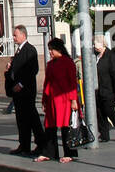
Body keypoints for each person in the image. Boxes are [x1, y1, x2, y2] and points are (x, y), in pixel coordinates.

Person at [36, 38, 79, 163]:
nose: (50, 52)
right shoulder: (50, 64)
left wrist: (73, 100)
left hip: (65, 99)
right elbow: (47, 83)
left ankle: (69, 153)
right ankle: (49, 152)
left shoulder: (68, 62)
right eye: (49, 49)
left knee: (66, 126)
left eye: (51, 49)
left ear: (58, 49)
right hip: (52, 100)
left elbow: (72, 83)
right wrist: (44, 100)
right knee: (50, 126)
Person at [6, 25, 44, 155]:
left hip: (26, 91)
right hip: (18, 92)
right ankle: (24, 144)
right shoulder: (19, 51)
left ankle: (41, 143)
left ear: (23, 35)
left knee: (32, 117)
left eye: (15, 35)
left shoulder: (30, 50)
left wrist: (21, 84)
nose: (14, 37)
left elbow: (32, 70)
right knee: (21, 119)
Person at [94, 37, 115, 142]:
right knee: (100, 113)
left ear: (102, 44)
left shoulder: (110, 56)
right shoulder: (95, 56)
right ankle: (104, 135)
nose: (93, 45)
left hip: (109, 89)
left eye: (95, 43)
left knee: (109, 111)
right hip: (98, 89)